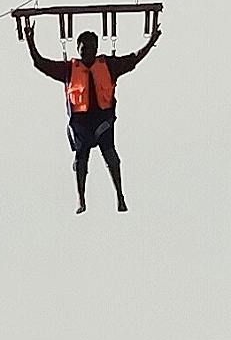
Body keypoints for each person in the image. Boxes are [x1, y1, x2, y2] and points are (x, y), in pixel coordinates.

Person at [22, 19, 159, 213]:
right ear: (78, 49)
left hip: (103, 119)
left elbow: (133, 58)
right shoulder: (69, 69)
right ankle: (81, 198)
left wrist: (151, 40)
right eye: (83, 48)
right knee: (80, 160)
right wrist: (31, 42)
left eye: (91, 48)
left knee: (111, 156)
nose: (87, 52)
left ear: (96, 48)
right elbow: (40, 63)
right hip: (81, 123)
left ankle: (120, 196)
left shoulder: (108, 65)